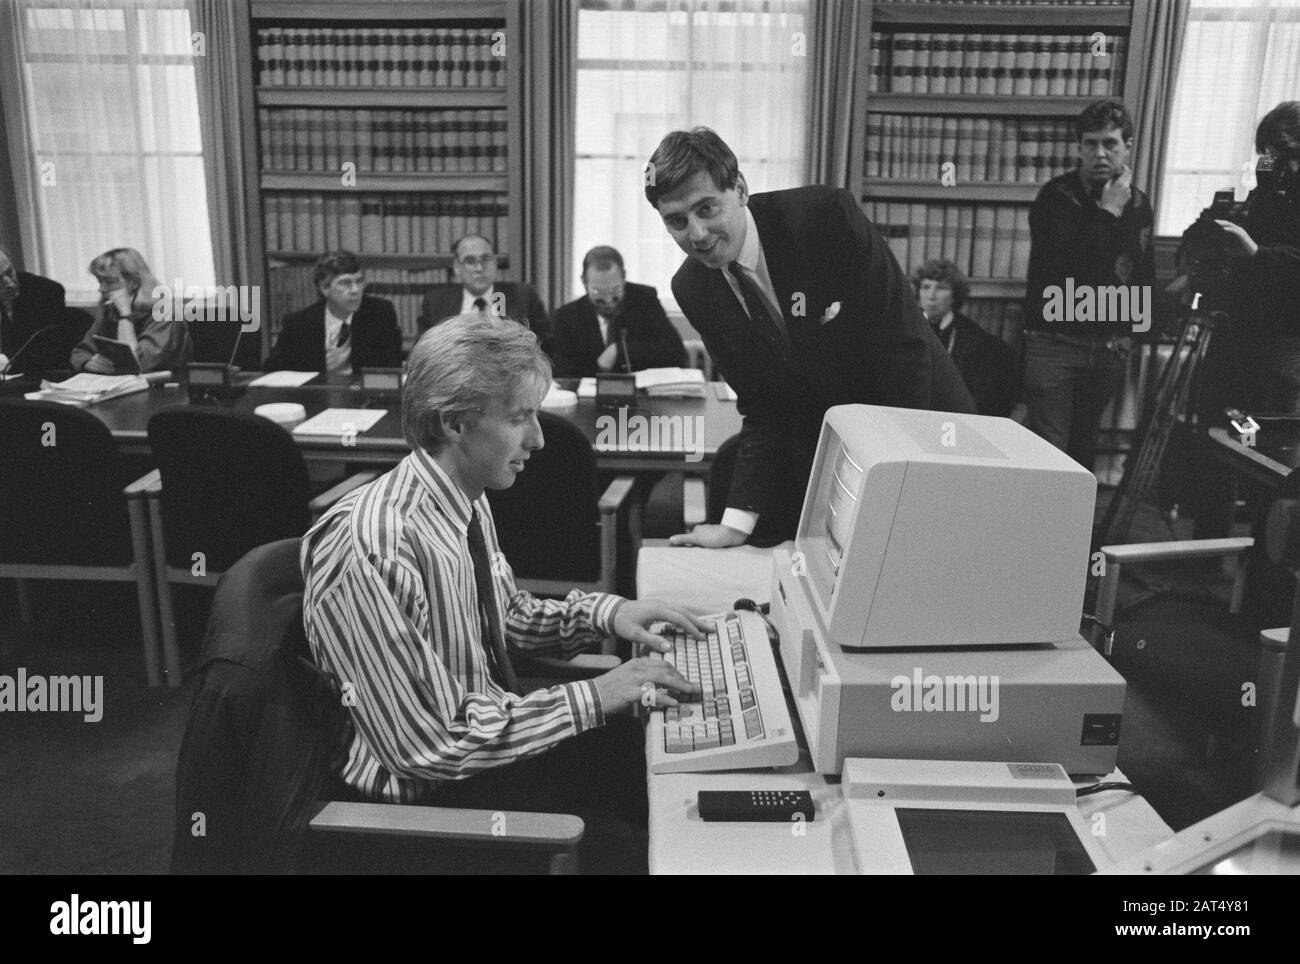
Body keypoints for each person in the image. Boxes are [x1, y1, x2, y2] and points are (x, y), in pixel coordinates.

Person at [300, 313, 706, 864]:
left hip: (480, 746)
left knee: (655, 761)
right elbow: (428, 745)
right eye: (519, 418)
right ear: (455, 424)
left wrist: (608, 614)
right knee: (641, 844)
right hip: (425, 809)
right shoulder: (373, 547)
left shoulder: (463, 496)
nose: (538, 439)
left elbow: (504, 618)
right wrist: (596, 695)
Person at [645, 127, 974, 548]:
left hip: (926, 428)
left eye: (706, 209)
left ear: (740, 189)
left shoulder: (824, 218)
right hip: (826, 455)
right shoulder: (692, 288)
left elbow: (903, 351)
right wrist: (734, 526)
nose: (697, 234)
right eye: (677, 221)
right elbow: (762, 406)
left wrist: (894, 485)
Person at [1189, 101, 1300, 604]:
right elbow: (1210, 235)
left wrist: (1255, 253)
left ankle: (1261, 579)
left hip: (1279, 349)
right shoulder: (1264, 194)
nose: (1273, 163)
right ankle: (1202, 560)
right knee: (1214, 441)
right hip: (1233, 338)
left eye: (1282, 153)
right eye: (1267, 152)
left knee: (1263, 455)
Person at [1022, 99, 1156, 472]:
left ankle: (1078, 515)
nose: (1100, 153)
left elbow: (1141, 272)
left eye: (1110, 143)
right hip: (1055, 343)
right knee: (1049, 453)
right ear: (1079, 148)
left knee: (1084, 448)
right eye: (1090, 144)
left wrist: (1133, 333)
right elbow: (1069, 271)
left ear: (1127, 146)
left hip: (1107, 347)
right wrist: (1107, 212)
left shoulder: (1139, 203)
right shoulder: (1056, 197)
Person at [550, 245, 685, 378]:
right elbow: (562, 374)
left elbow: (676, 353)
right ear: (584, 283)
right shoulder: (566, 317)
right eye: (597, 291)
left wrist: (619, 350)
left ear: (624, 277)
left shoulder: (644, 300)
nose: (608, 299)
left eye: (615, 290)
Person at [263, 250, 402, 375]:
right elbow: (272, 370)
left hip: (362, 391)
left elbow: (390, 367)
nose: (355, 290)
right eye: (345, 283)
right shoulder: (299, 323)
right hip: (318, 391)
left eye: (359, 281)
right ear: (324, 288)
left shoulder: (379, 313)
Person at [912, 259, 1020, 417]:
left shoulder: (979, 342)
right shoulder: (907, 329)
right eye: (926, 287)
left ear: (954, 296)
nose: (931, 296)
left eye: (941, 288)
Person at [70, 247, 192, 374]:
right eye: (100, 281)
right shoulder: (111, 311)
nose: (101, 289)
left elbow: (135, 364)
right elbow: (81, 352)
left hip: (163, 384)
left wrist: (125, 315)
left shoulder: (166, 313)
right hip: (121, 382)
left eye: (109, 282)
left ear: (134, 282)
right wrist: (89, 363)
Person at [417, 234, 551, 347]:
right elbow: (422, 349)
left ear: (495, 263)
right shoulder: (436, 302)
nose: (479, 268)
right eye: (470, 261)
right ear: (457, 267)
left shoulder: (522, 296)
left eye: (486, 259)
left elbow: (546, 347)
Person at [0, 246, 79, 374]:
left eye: (9, 272)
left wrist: (8, 361)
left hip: (38, 375)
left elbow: (51, 347)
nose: (9, 283)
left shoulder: (45, 291)